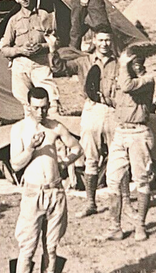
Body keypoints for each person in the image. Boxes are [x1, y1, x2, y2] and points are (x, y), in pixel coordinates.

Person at [9, 87, 82, 273]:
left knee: (51, 247)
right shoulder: (19, 129)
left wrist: (63, 163)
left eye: (44, 107)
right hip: (32, 195)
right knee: (27, 249)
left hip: (56, 193)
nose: (40, 112)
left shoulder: (55, 127)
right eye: (36, 107)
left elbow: (77, 148)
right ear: (28, 106)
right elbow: (15, 165)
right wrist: (31, 147)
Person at [50, 27, 120, 217]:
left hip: (114, 112)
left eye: (107, 40)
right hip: (92, 111)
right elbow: (59, 68)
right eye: (101, 40)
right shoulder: (84, 62)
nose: (104, 44)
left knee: (118, 158)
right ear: (94, 41)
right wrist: (53, 50)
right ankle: (91, 202)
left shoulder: (119, 64)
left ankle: (123, 202)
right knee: (91, 158)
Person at [108, 49, 156, 242]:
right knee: (113, 179)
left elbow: (127, 86)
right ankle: (115, 227)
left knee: (141, 180)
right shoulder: (123, 76)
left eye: (133, 63)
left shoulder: (148, 79)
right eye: (128, 64)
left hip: (138, 133)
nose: (130, 67)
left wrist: (122, 65)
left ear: (140, 63)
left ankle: (140, 225)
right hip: (120, 132)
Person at [0, 0, 61, 108]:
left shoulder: (44, 15)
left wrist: (42, 47)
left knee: (51, 100)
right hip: (21, 65)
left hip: (41, 64)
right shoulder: (13, 21)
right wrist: (20, 50)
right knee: (25, 104)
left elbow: (57, 42)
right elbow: (4, 49)